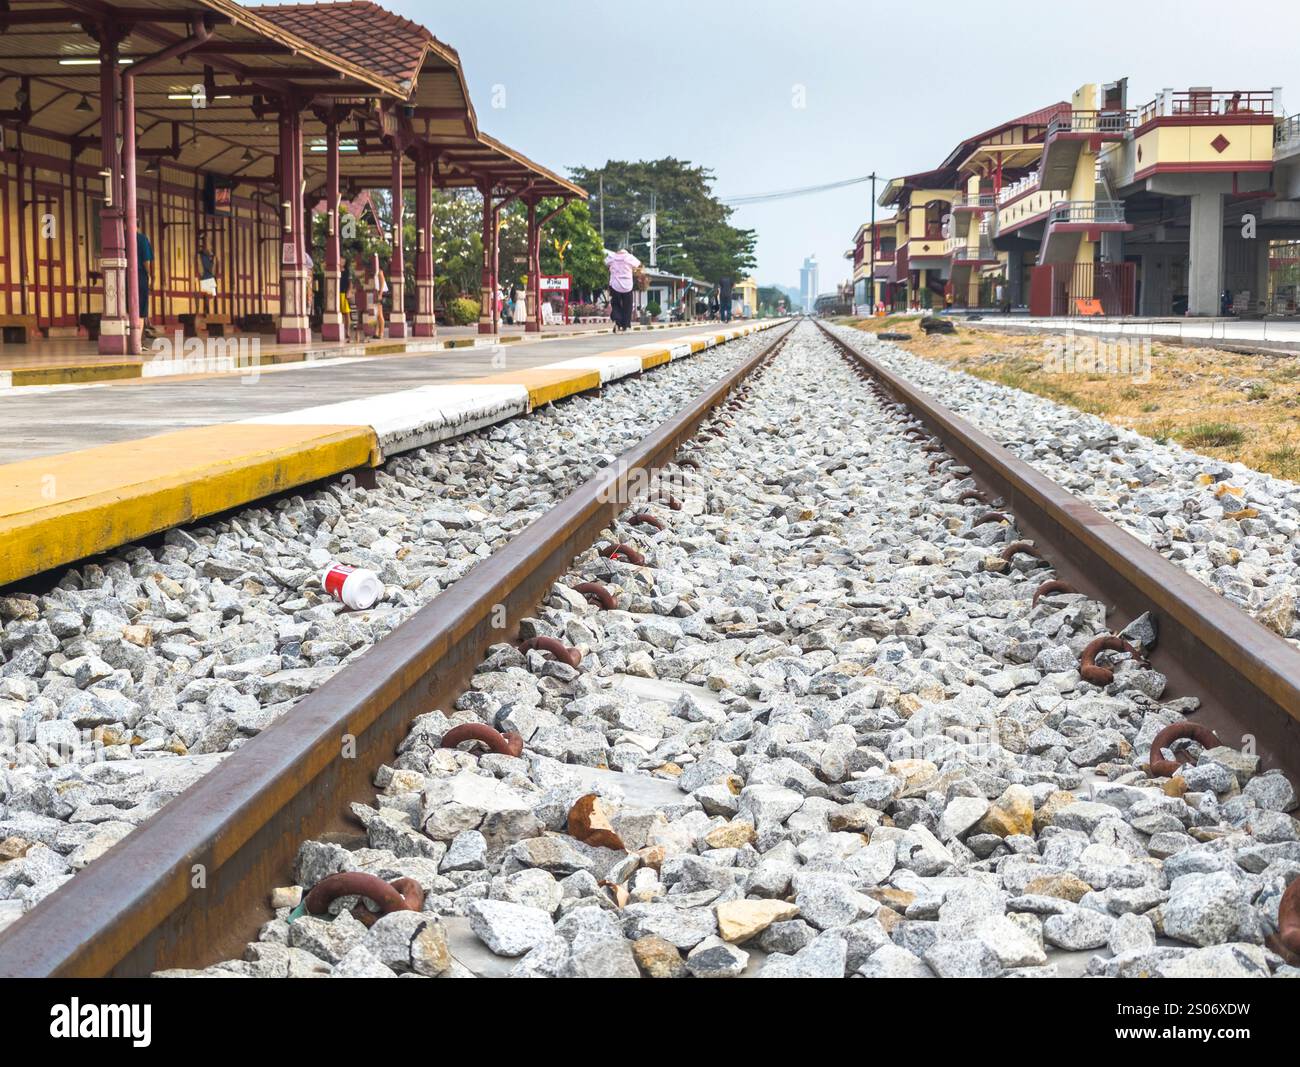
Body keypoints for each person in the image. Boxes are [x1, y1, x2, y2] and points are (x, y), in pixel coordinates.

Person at [604, 247, 639, 332]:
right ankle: (625, 325)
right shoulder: (629, 257)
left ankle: (617, 320)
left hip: (615, 285)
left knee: (615, 304)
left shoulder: (612, 256)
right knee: (628, 305)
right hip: (627, 285)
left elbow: (605, 262)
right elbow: (637, 264)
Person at [137, 220, 155, 341]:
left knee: (126, 309)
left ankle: (127, 339)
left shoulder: (121, 237)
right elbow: (146, 261)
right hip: (140, 276)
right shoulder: (143, 239)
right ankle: (137, 341)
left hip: (123, 276)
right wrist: (152, 276)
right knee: (141, 310)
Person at [369, 253, 386, 338]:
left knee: (379, 314)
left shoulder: (379, 271)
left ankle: (381, 332)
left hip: (377, 293)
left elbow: (382, 284)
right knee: (373, 315)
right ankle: (375, 332)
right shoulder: (370, 271)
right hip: (371, 293)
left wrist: (380, 294)